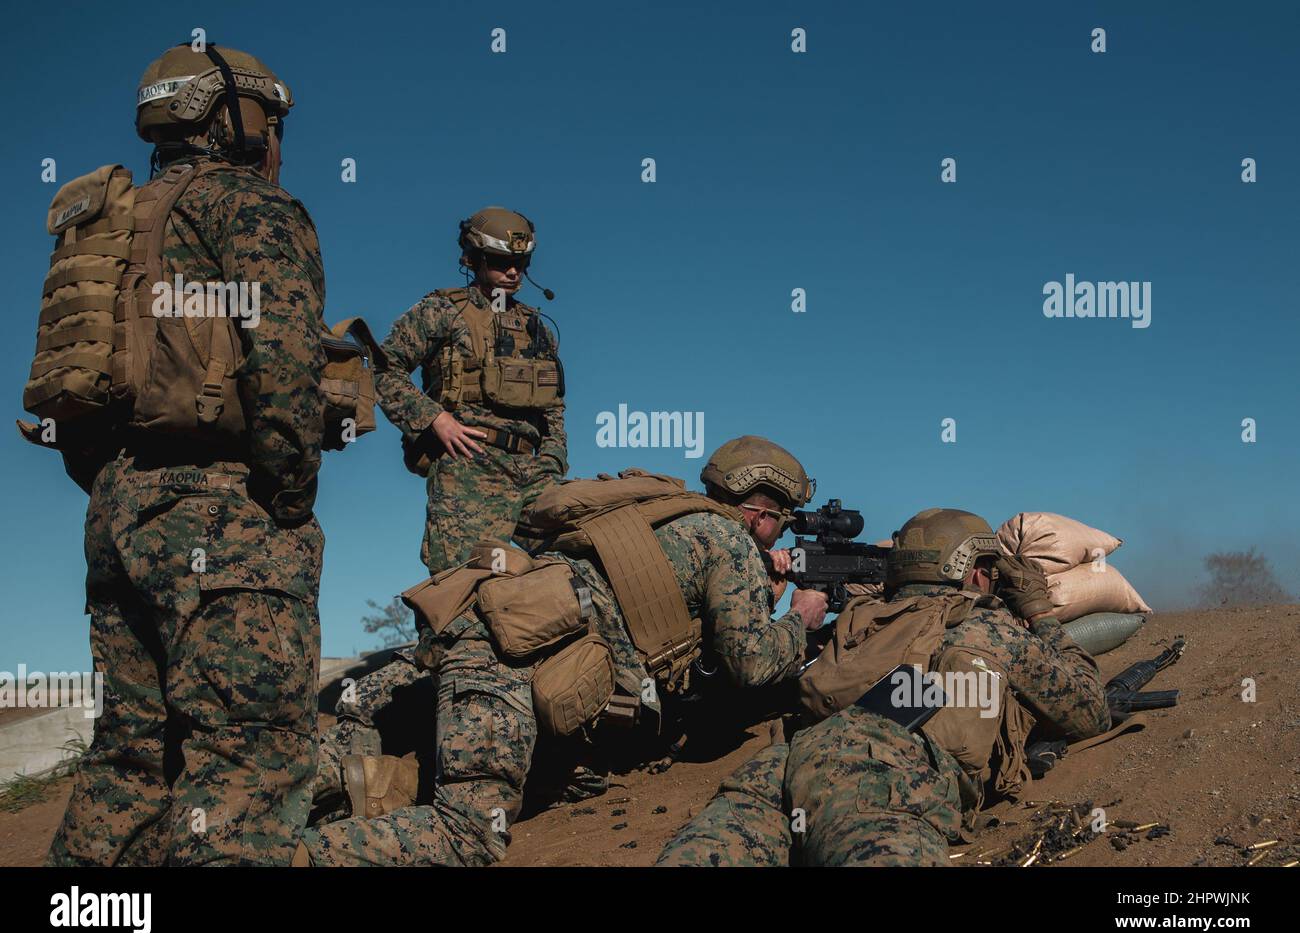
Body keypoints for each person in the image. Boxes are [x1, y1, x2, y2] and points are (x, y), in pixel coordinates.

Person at [45, 43, 326, 866]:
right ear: (230, 115)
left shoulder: (112, 225)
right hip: (222, 518)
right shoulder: (249, 205)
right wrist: (289, 501)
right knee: (247, 765)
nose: (275, 141)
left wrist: (114, 490)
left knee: (128, 762)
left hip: (117, 514)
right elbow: (287, 366)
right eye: (269, 122)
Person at [298, 436, 830, 865]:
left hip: (472, 633)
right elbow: (751, 663)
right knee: (467, 832)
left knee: (350, 748)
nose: (777, 534)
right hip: (502, 665)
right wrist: (799, 620)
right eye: (781, 520)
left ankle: (247, 820)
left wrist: (760, 589)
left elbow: (662, 613)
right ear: (760, 510)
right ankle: (282, 855)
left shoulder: (667, 515)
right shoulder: (730, 539)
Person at [656, 508, 1111, 866]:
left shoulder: (860, 619)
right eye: (989, 571)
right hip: (880, 775)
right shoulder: (985, 628)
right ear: (974, 573)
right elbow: (1090, 713)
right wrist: (1041, 615)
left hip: (784, 762)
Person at [376, 207, 567, 575]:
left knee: (574, 571)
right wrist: (434, 418)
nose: (513, 272)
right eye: (500, 261)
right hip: (470, 471)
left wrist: (555, 459)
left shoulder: (536, 325)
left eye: (521, 262)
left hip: (537, 474)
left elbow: (554, 406)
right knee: (460, 594)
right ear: (474, 259)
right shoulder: (441, 311)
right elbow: (385, 369)